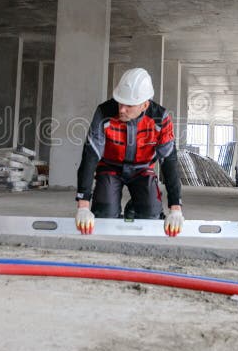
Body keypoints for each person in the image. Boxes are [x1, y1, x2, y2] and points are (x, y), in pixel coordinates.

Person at [75, 68, 183, 236]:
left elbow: (169, 161)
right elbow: (90, 155)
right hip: (110, 168)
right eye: (120, 102)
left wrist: (175, 208)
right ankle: (108, 206)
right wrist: (83, 205)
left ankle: (134, 206)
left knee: (151, 217)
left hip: (142, 170)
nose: (122, 109)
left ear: (145, 105)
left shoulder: (160, 118)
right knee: (104, 216)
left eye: (129, 105)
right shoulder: (103, 112)